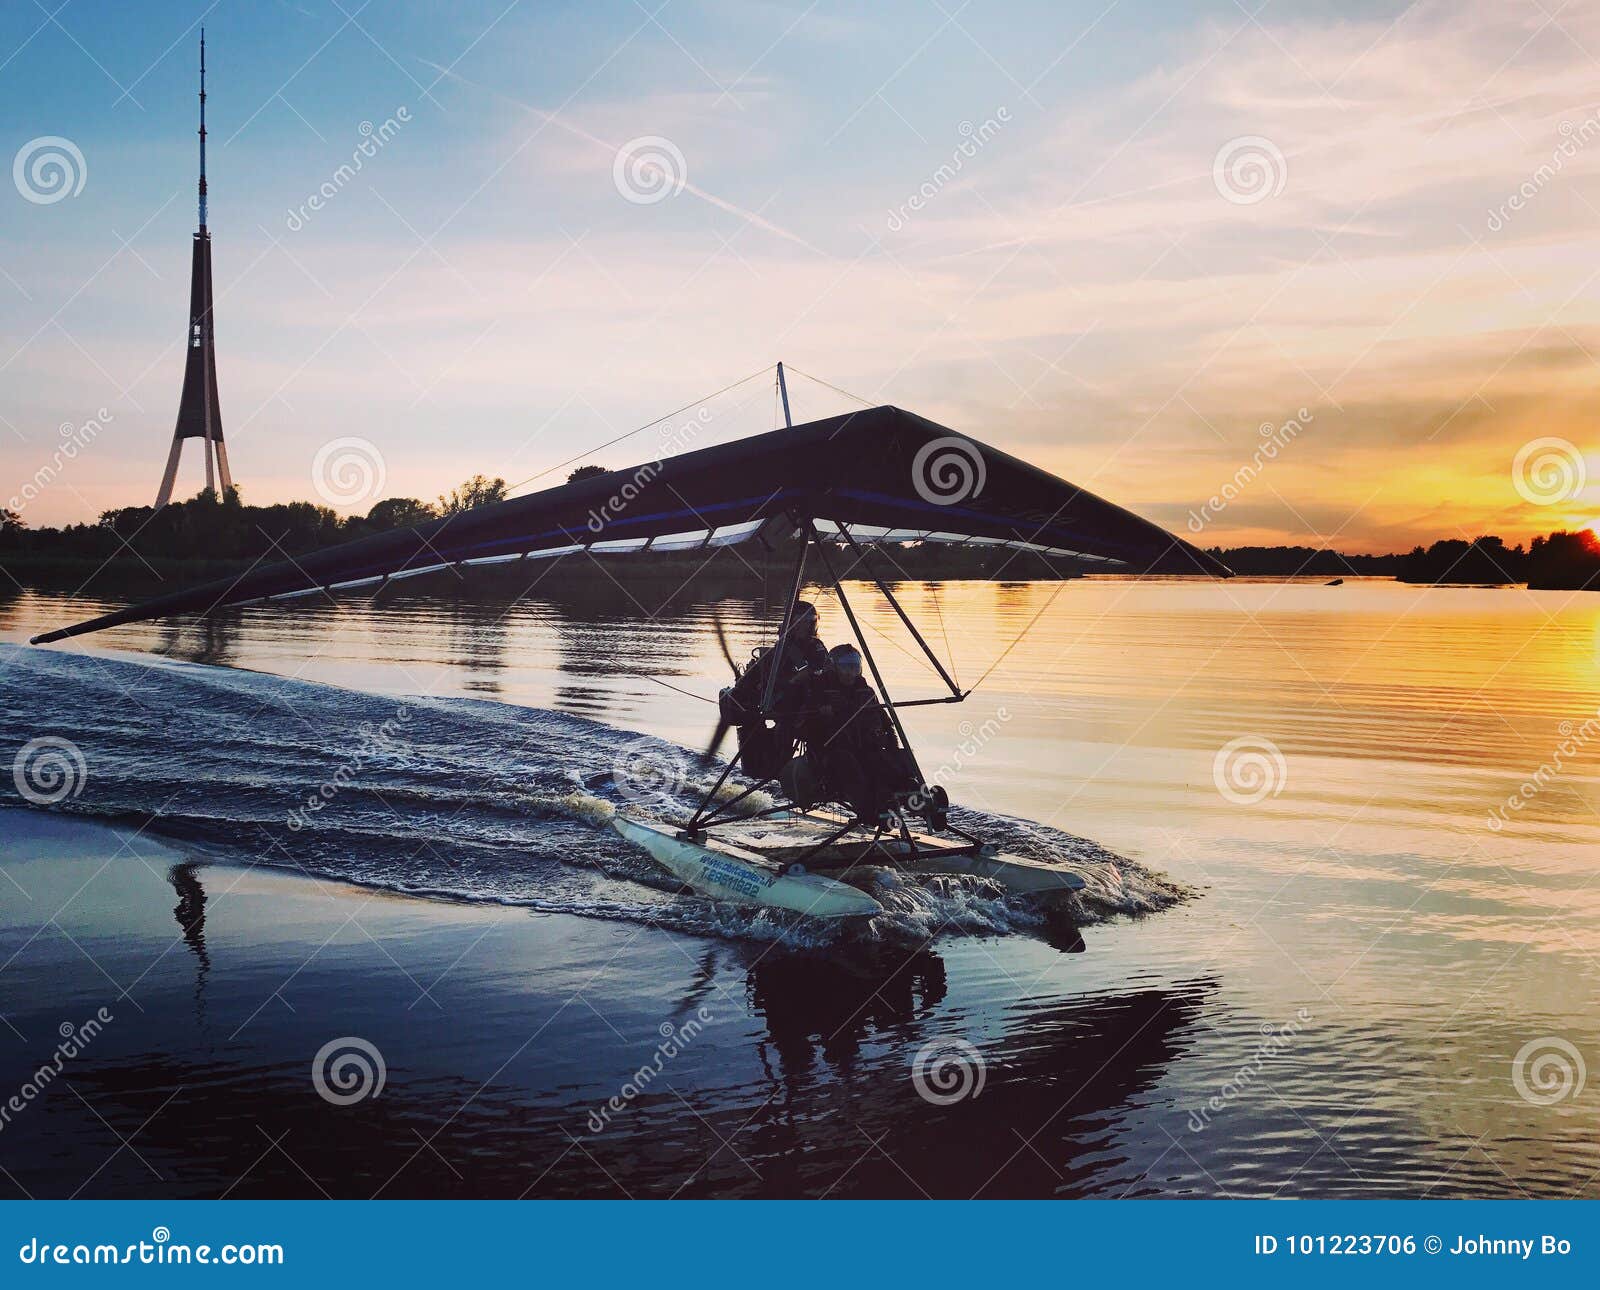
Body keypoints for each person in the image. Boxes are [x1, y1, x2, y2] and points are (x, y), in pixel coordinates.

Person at [808, 643, 927, 825]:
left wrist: (893, 750)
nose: (851, 673)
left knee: (898, 757)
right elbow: (805, 727)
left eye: (855, 668)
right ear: (833, 668)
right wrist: (821, 715)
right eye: (846, 668)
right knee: (849, 761)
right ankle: (869, 808)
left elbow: (887, 723)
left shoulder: (866, 692)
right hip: (834, 755)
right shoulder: (820, 690)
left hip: (867, 749)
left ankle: (917, 797)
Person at [719, 600, 828, 779]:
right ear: (791, 623)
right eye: (800, 621)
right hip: (780, 704)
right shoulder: (780, 648)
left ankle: (799, 770)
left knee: (794, 727)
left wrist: (795, 681)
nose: (805, 625)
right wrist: (747, 683)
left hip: (804, 706)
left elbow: (819, 670)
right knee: (766, 724)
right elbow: (762, 671)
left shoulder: (816, 647)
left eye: (809, 621)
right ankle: (768, 767)